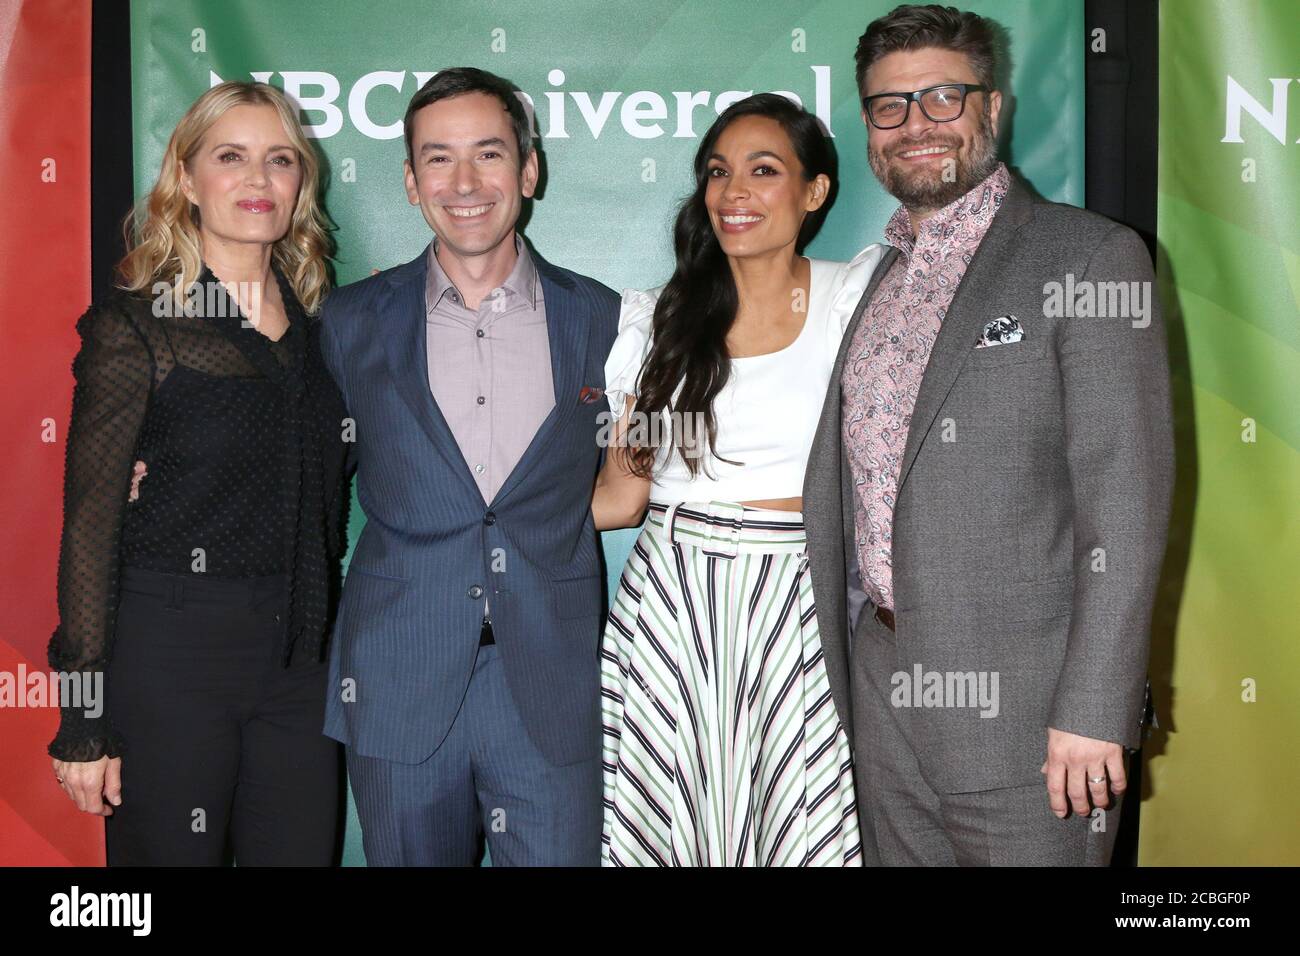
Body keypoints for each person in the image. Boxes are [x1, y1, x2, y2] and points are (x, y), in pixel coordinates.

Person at [802, 3, 1175, 865]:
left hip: (1033, 723)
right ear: (868, 126)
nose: (917, 125)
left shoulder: (1089, 258)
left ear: (993, 109)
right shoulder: (878, 280)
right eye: (891, 106)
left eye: (944, 98)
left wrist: (1094, 706)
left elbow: (1125, 497)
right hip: (884, 694)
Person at [318, 68, 619, 866]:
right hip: (397, 680)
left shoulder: (604, 317)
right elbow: (307, 479)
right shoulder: (349, 321)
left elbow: (649, 473)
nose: (466, 183)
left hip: (549, 688)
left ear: (528, 170)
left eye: (488, 155)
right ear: (411, 183)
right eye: (439, 160)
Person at [47, 81, 352, 865]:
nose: (258, 180)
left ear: (300, 184)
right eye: (231, 157)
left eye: (279, 160)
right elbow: (89, 528)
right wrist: (83, 720)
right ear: (186, 179)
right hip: (170, 659)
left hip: (304, 665)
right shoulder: (140, 324)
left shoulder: (329, 329)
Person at [593, 93, 885, 866]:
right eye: (718, 173)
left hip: (801, 596)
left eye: (764, 170)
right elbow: (621, 498)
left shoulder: (854, 299)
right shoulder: (656, 320)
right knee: (671, 827)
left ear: (815, 191)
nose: (734, 193)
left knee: (804, 825)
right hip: (670, 600)